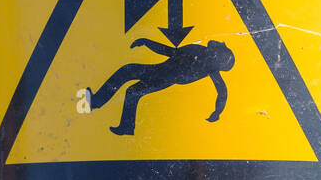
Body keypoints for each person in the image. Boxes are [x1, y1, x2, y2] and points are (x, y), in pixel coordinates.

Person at [88, 38, 235, 135]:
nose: (217, 46)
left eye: (221, 57)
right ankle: (125, 125)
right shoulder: (198, 51)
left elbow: (222, 91)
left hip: (163, 76)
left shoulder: (210, 67)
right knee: (132, 90)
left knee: (128, 74)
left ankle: (98, 104)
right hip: (162, 72)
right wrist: (147, 42)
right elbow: (170, 52)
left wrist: (217, 111)